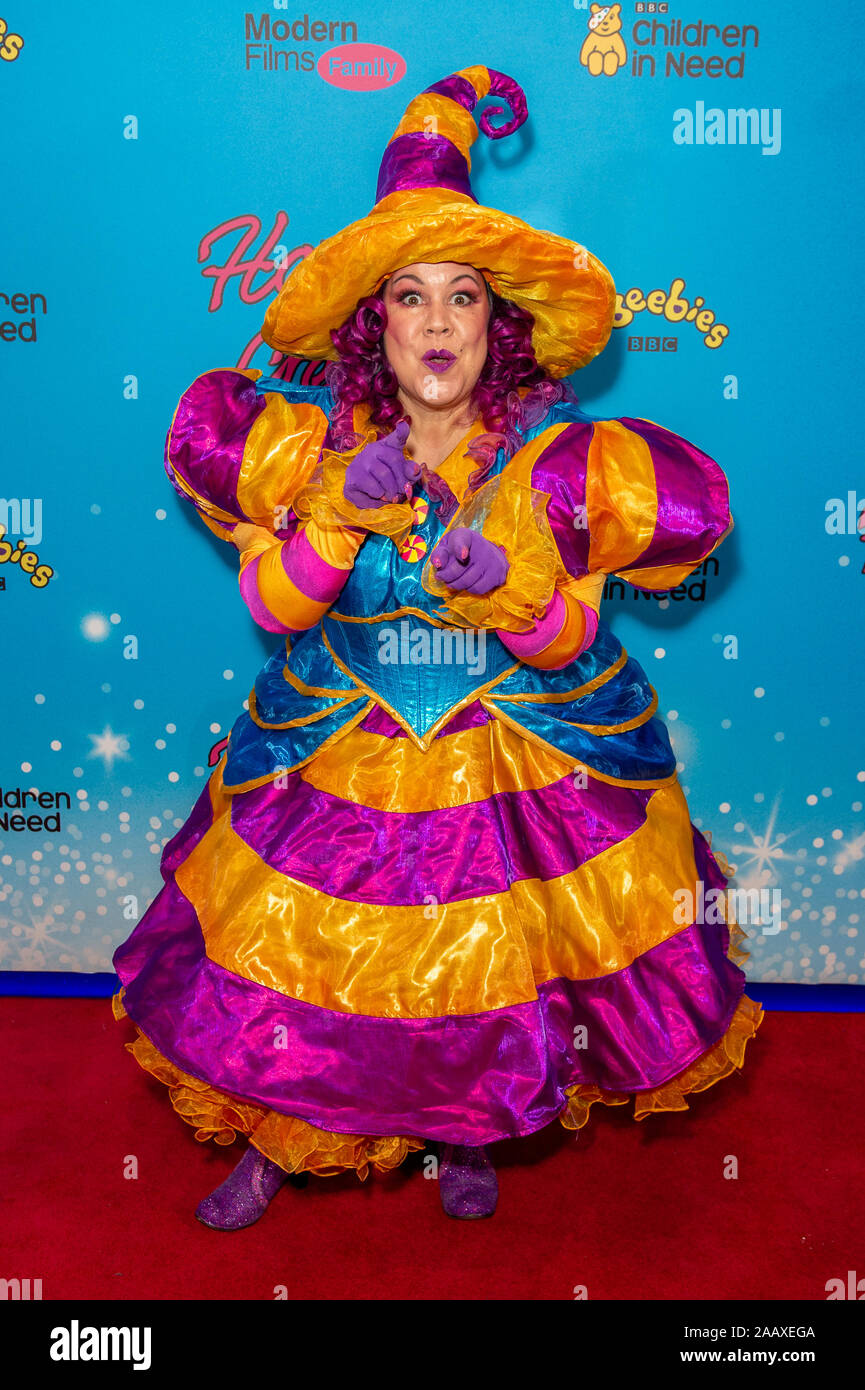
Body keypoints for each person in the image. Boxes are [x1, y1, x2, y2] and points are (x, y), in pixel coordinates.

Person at [112, 64, 763, 1227]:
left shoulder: (556, 463)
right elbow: (275, 608)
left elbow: (569, 636)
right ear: (375, 325)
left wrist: (507, 590)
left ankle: (460, 1129)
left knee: (481, 961)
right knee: (303, 959)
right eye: (409, 298)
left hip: (504, 757)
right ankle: (275, 1133)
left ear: (497, 323)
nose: (436, 323)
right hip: (338, 743)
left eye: (461, 297)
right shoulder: (308, 446)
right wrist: (338, 520)